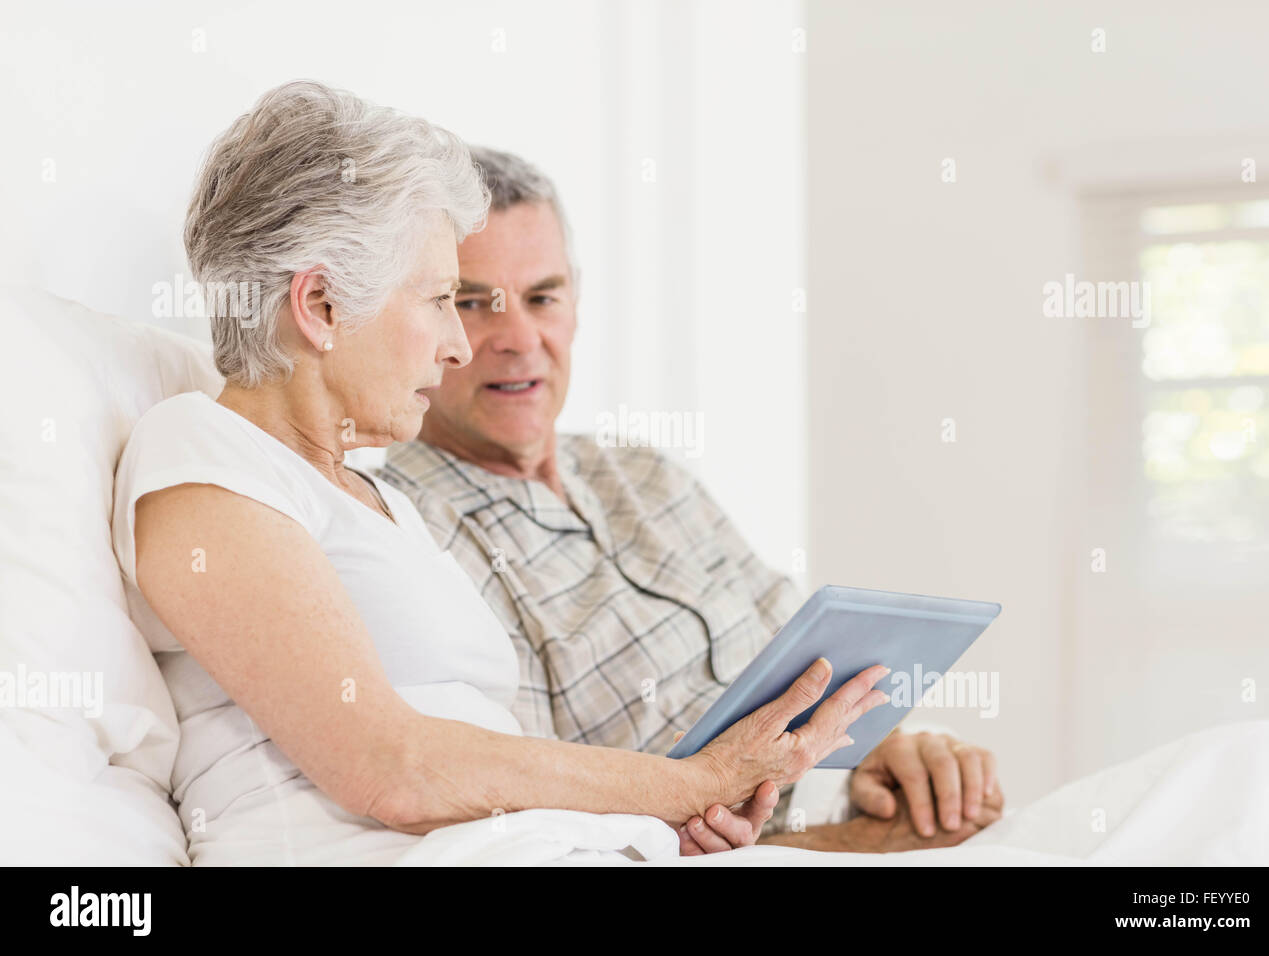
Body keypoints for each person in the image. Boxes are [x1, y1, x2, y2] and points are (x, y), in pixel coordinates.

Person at [111, 80, 888, 865]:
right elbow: (392, 770)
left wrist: (661, 824)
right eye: (445, 301)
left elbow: (493, 761)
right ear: (319, 305)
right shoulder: (204, 451)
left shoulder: (376, 501)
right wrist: (690, 782)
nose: (457, 346)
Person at [380, 147, 1005, 853]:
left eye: (544, 297)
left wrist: (887, 762)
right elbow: (528, 822)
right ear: (423, 319)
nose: (522, 340)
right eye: (472, 303)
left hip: (837, 817)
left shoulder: (644, 471)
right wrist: (846, 841)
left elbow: (808, 659)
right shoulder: (405, 533)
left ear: (577, 308)